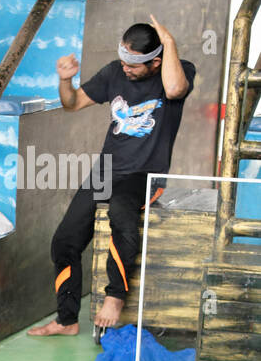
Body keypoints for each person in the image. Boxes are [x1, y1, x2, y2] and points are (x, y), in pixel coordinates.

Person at [28, 18, 194, 337]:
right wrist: (66, 80)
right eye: (123, 59)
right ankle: (67, 320)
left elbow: (175, 89)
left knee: (121, 215)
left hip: (146, 174)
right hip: (107, 170)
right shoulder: (114, 72)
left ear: (156, 61)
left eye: (133, 64)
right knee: (64, 241)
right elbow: (73, 103)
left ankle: (114, 298)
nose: (125, 68)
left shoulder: (180, 70)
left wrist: (169, 40)